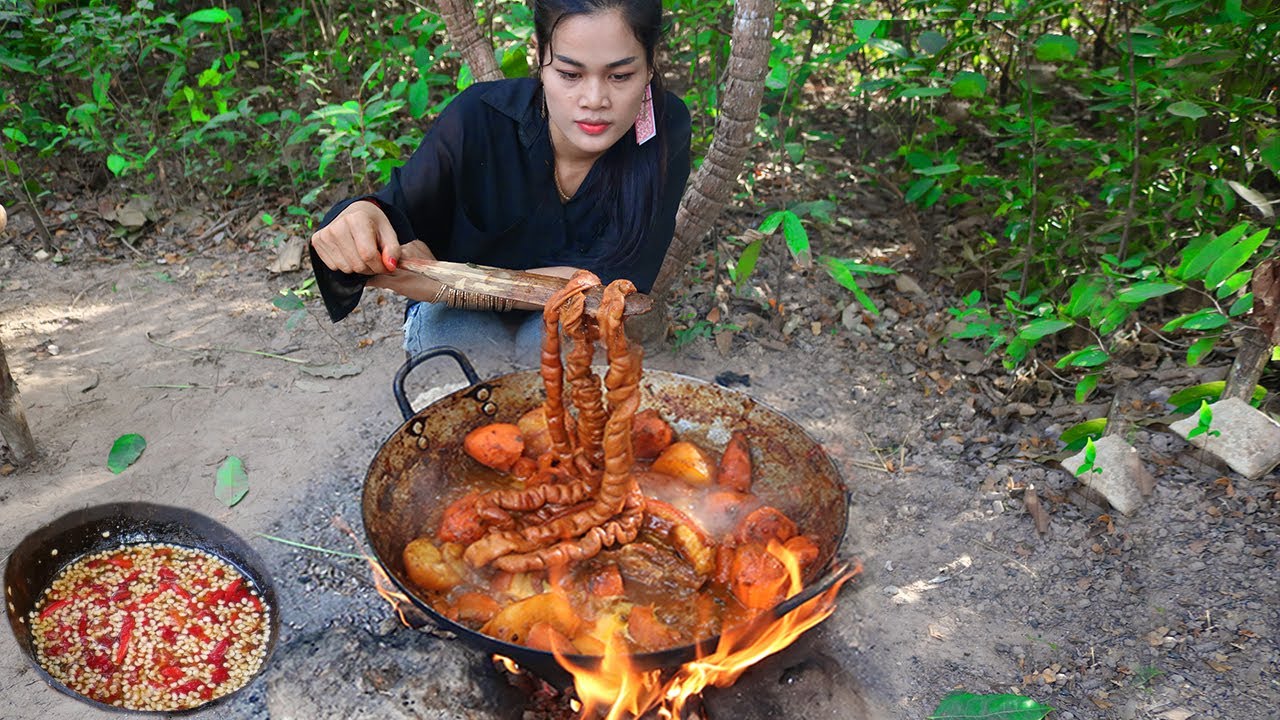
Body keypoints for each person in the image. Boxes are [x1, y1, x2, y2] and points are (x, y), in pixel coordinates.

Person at [309, 0, 691, 368]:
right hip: (455, 312)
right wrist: (360, 217)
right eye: (570, 74)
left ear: (650, 65)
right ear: (540, 55)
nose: (594, 99)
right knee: (461, 347)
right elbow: (396, 211)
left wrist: (442, 281)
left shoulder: (664, 131)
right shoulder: (479, 119)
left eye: (620, 75)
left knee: (560, 346)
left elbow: (617, 278)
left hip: (567, 314)